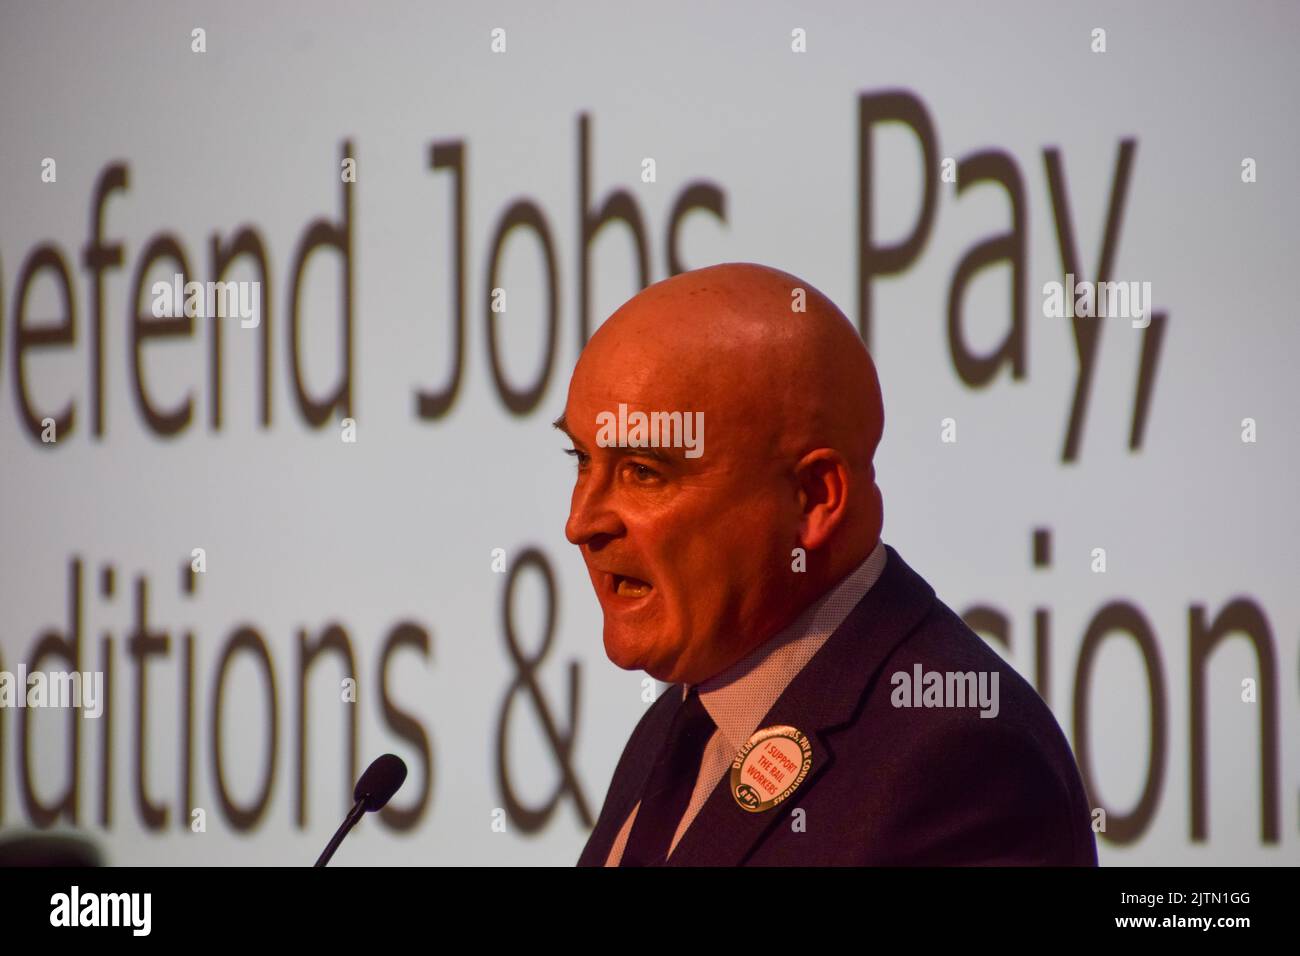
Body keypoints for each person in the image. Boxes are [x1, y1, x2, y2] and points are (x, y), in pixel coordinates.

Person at [555, 262, 1097, 866]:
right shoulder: (686, 721)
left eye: (644, 472)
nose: (581, 523)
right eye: (580, 459)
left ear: (813, 500)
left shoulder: (965, 761)